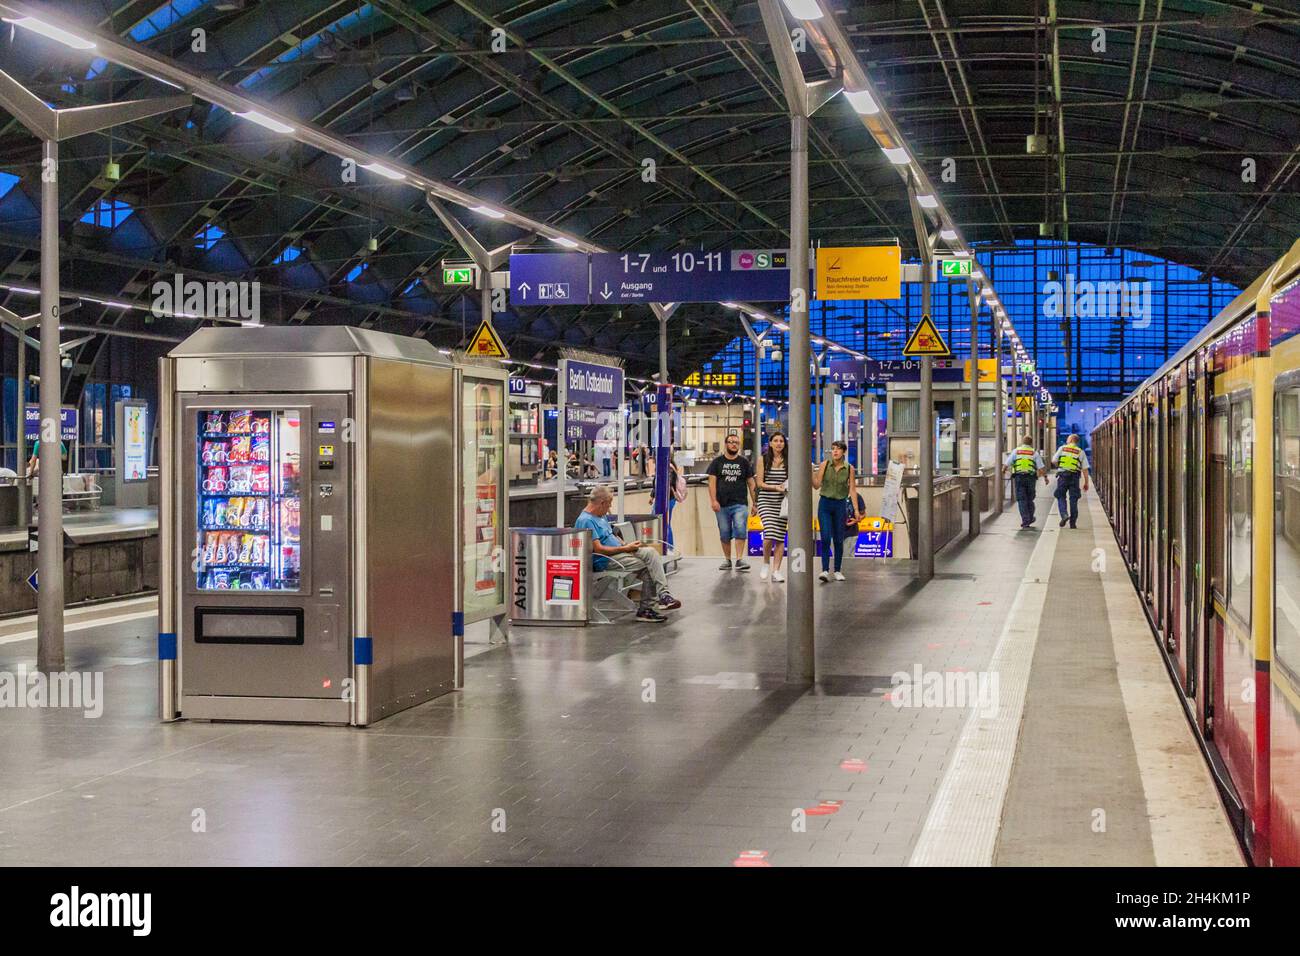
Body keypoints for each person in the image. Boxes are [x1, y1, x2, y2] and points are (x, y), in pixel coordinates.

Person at [575, 485, 681, 622]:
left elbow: (612, 535)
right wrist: (625, 549)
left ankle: (657, 601)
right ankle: (654, 604)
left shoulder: (600, 516)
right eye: (609, 505)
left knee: (651, 555)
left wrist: (626, 545)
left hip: (620, 553)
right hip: (607, 559)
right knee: (650, 564)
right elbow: (598, 549)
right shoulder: (586, 520)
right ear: (602, 503)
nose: (609, 508)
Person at [707, 432, 756, 571]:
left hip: (740, 503)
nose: (734, 444)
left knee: (740, 529)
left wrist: (755, 503)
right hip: (721, 505)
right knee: (724, 532)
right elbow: (711, 483)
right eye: (731, 442)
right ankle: (727, 560)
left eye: (736, 442)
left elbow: (751, 483)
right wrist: (713, 501)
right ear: (726, 444)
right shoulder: (717, 462)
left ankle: (739, 559)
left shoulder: (744, 462)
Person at [812, 440, 860, 582]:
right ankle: (825, 570)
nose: (835, 451)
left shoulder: (849, 468)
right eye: (833, 449)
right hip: (825, 504)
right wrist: (810, 473)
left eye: (838, 449)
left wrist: (856, 509)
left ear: (843, 452)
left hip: (840, 505)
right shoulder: (825, 465)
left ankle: (838, 570)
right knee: (826, 537)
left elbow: (852, 489)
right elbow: (816, 486)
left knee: (839, 539)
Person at [755, 432, 789, 583]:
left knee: (780, 537)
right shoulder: (763, 460)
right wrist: (775, 487)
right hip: (766, 500)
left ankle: (776, 571)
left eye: (781, 441)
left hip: (783, 502)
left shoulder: (789, 461)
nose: (779, 443)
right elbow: (760, 483)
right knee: (769, 533)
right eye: (775, 441)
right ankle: (765, 563)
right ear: (770, 443)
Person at [1003, 440, 1048, 528]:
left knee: (1021, 500)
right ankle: (1030, 517)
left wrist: (1003, 470)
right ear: (1031, 443)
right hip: (1031, 478)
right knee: (1030, 499)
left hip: (1019, 478)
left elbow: (1007, 463)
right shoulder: (1034, 452)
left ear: (1022, 442)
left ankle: (1026, 520)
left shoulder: (1016, 451)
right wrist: (1045, 477)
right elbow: (1040, 467)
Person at [1051, 433, 1091, 529]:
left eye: (1068, 439)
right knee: (1074, 500)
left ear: (1071, 440)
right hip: (1074, 478)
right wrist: (1086, 482)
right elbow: (1085, 469)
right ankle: (1073, 523)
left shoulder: (1062, 448)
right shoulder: (1080, 452)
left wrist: (1060, 466)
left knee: (1060, 496)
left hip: (1063, 476)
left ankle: (1064, 514)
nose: (1067, 441)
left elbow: (1054, 461)